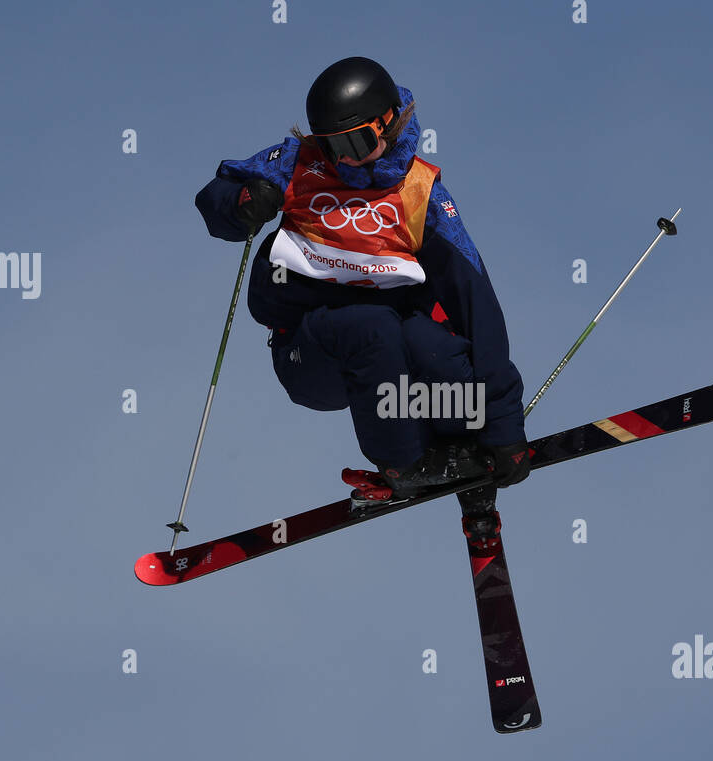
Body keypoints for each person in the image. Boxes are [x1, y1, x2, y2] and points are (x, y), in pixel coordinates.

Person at [194, 57, 528, 531]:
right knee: (372, 330)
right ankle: (403, 463)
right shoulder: (297, 163)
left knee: (439, 351)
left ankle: (468, 462)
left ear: (389, 124)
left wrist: (503, 424)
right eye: (332, 146)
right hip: (310, 353)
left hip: (388, 350)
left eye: (357, 142)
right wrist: (244, 201)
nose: (344, 159)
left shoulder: (420, 192)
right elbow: (217, 197)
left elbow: (476, 303)